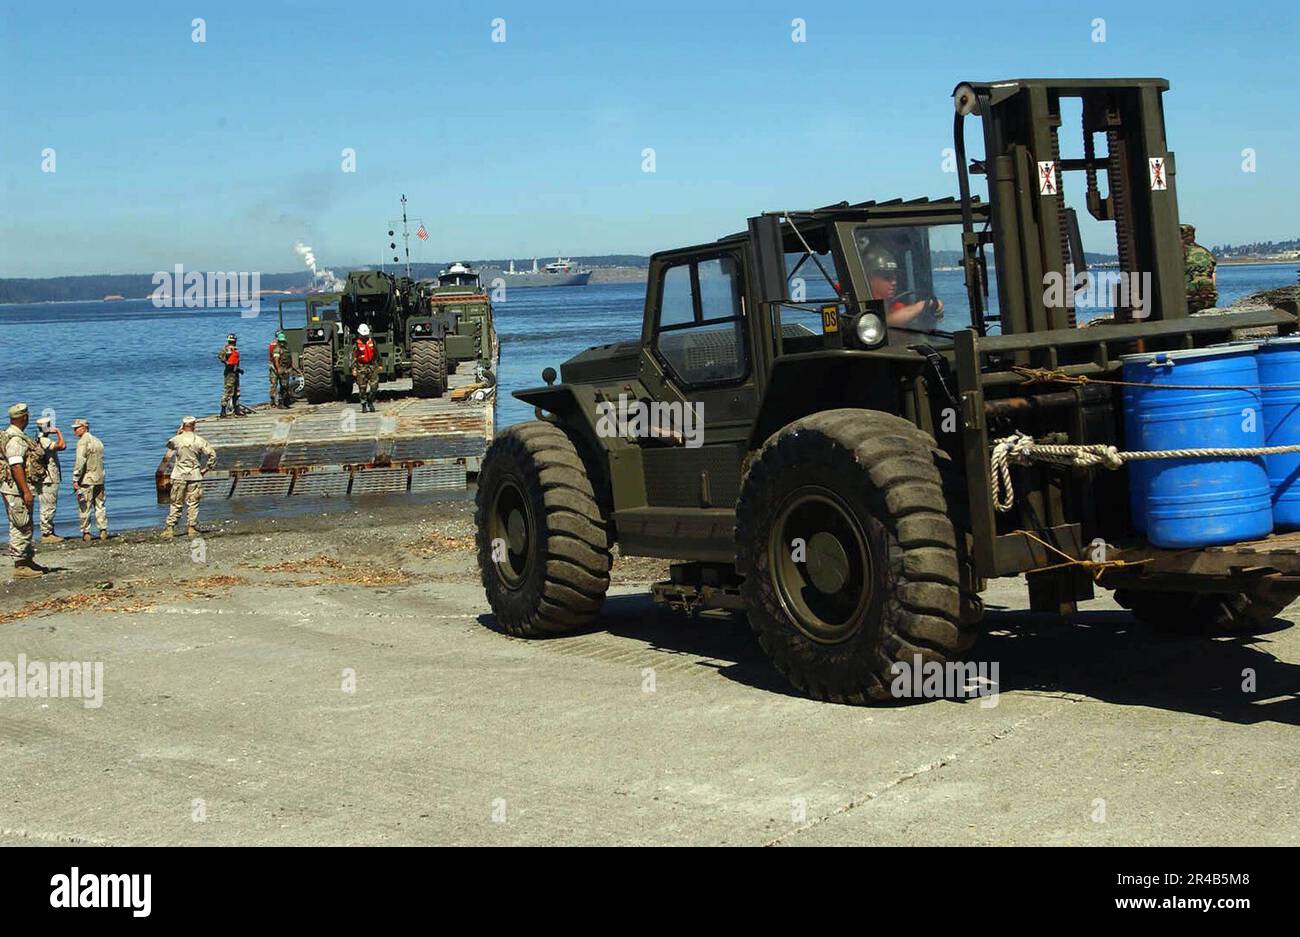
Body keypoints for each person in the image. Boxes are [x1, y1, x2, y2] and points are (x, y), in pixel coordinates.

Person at [2, 403, 48, 577]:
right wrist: (25, 491)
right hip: (16, 490)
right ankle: (20, 564)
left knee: (25, 523)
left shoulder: (13, 435)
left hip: (16, 488)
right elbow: (16, 466)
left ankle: (27, 559)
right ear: (24, 418)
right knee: (20, 524)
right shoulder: (15, 440)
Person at [861, 244, 945, 331]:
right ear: (869, 279)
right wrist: (922, 305)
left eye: (895, 277)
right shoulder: (863, 307)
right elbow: (883, 323)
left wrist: (935, 305)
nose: (894, 282)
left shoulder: (896, 307)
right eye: (887, 277)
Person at [161, 416, 217, 539]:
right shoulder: (199, 440)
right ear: (194, 426)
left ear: (183, 425)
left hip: (179, 475)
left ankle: (170, 528)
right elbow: (212, 455)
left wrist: (178, 433)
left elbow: (169, 447)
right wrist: (207, 468)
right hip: (195, 474)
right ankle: (191, 527)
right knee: (193, 502)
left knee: (176, 502)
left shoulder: (176, 440)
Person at [71, 418, 108, 542]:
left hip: (87, 479)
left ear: (84, 428)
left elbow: (80, 461)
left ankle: (86, 532)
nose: (74, 431)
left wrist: (75, 478)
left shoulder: (83, 442)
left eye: (77, 428)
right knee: (100, 505)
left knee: (84, 506)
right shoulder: (98, 441)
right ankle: (103, 529)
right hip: (99, 478)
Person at [33, 416, 66, 543]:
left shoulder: (38, 439)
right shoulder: (45, 441)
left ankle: (48, 531)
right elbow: (62, 446)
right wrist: (58, 432)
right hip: (49, 478)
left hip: (44, 478)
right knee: (48, 505)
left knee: (46, 505)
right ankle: (47, 534)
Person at [1182, 223, 1218, 312]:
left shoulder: (1175, 252)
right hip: (1208, 300)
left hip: (1186, 302)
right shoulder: (1207, 253)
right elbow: (1213, 278)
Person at [352, 323, 379, 413]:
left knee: (374, 386)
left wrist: (379, 364)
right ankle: (363, 404)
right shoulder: (356, 345)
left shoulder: (372, 342)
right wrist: (354, 368)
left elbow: (376, 353)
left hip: (371, 366)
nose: (365, 337)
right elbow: (353, 357)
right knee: (362, 388)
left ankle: (370, 401)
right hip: (361, 367)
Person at [219, 333, 242, 417]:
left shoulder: (234, 349)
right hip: (230, 373)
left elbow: (235, 361)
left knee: (236, 391)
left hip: (235, 372)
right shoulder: (226, 349)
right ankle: (223, 411)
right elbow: (220, 356)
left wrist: (238, 369)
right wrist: (227, 363)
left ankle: (236, 409)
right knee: (228, 391)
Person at [268, 331, 293, 408]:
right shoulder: (278, 347)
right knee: (277, 384)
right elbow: (275, 358)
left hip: (279, 367)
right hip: (276, 367)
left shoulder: (273, 345)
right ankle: (276, 401)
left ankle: (277, 401)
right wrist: (278, 368)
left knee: (276, 384)